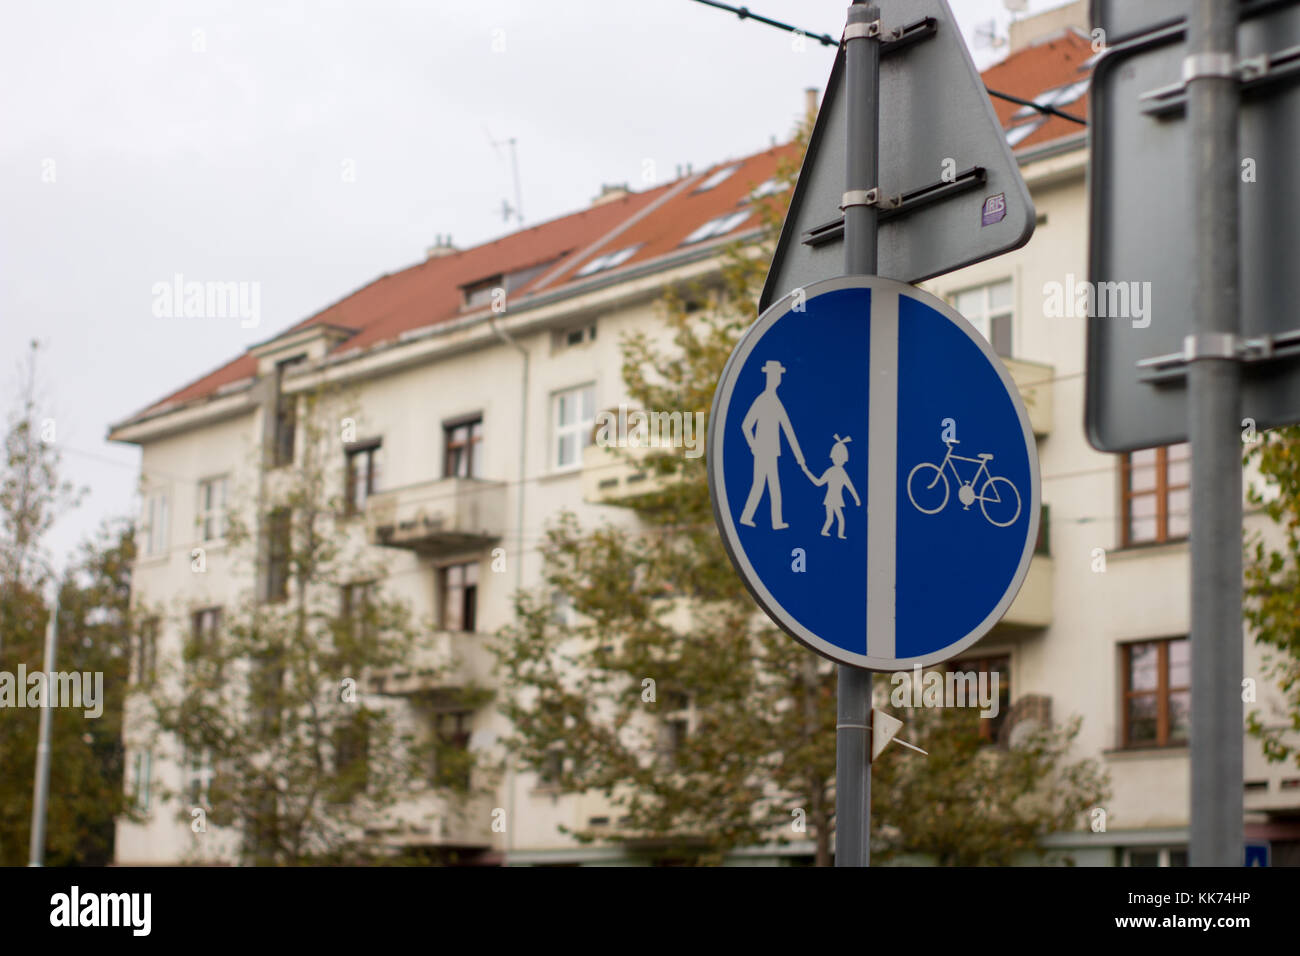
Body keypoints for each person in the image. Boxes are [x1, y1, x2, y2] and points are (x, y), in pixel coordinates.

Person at [739, 359, 806, 530]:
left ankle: (764, 519)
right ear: (770, 377)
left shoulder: (775, 401)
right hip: (764, 452)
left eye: (778, 376)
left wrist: (799, 456)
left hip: (771, 452)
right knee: (764, 485)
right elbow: (746, 425)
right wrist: (753, 446)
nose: (778, 379)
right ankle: (756, 518)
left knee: (767, 486)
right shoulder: (763, 400)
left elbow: (788, 429)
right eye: (776, 375)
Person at [802, 434, 861, 539]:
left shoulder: (841, 472)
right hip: (831, 499)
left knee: (834, 519)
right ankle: (832, 533)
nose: (839, 460)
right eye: (837, 458)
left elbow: (850, 486)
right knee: (834, 519)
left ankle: (834, 533)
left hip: (834, 499)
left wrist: (856, 499)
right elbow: (818, 482)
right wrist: (806, 471)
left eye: (841, 458)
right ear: (833, 458)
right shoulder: (832, 471)